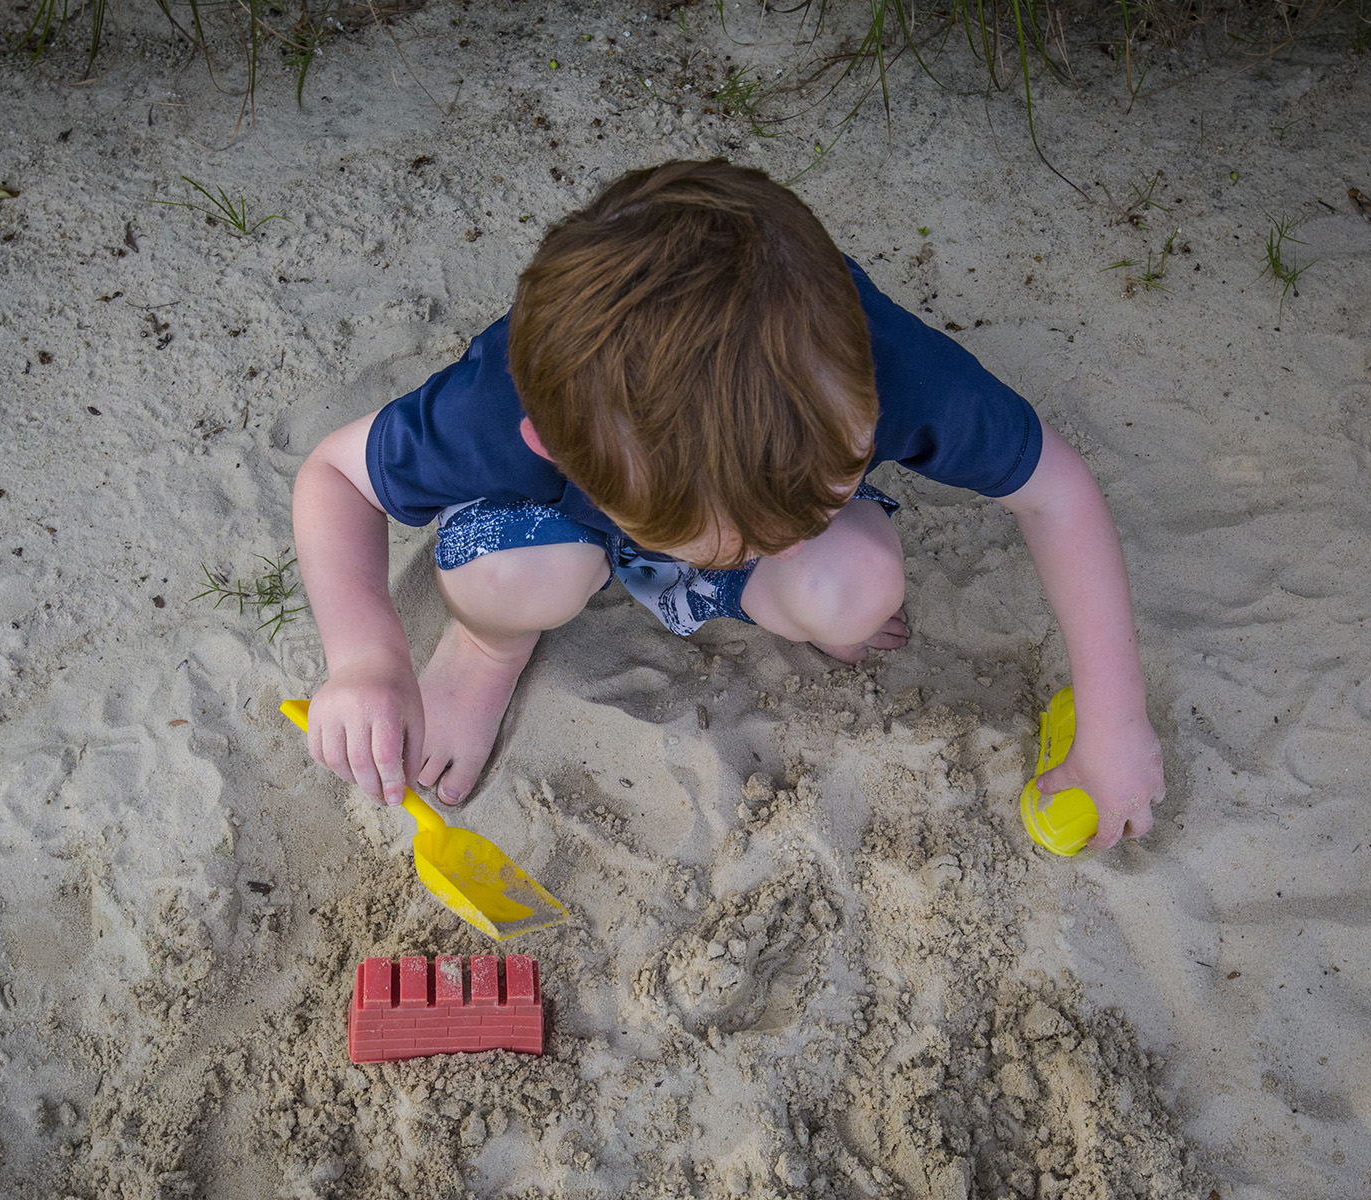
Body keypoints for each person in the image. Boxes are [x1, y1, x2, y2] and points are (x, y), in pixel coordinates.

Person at [291, 159, 1163, 849]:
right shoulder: (498, 409)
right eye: (744, 536)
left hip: (662, 492)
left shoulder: (869, 362)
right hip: (546, 523)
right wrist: (366, 658)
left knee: (856, 583)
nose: (780, 538)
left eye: (818, 498)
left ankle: (761, 562)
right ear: (550, 445)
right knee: (519, 578)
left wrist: (1115, 723)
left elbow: (1056, 494)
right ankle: (486, 647)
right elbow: (335, 479)